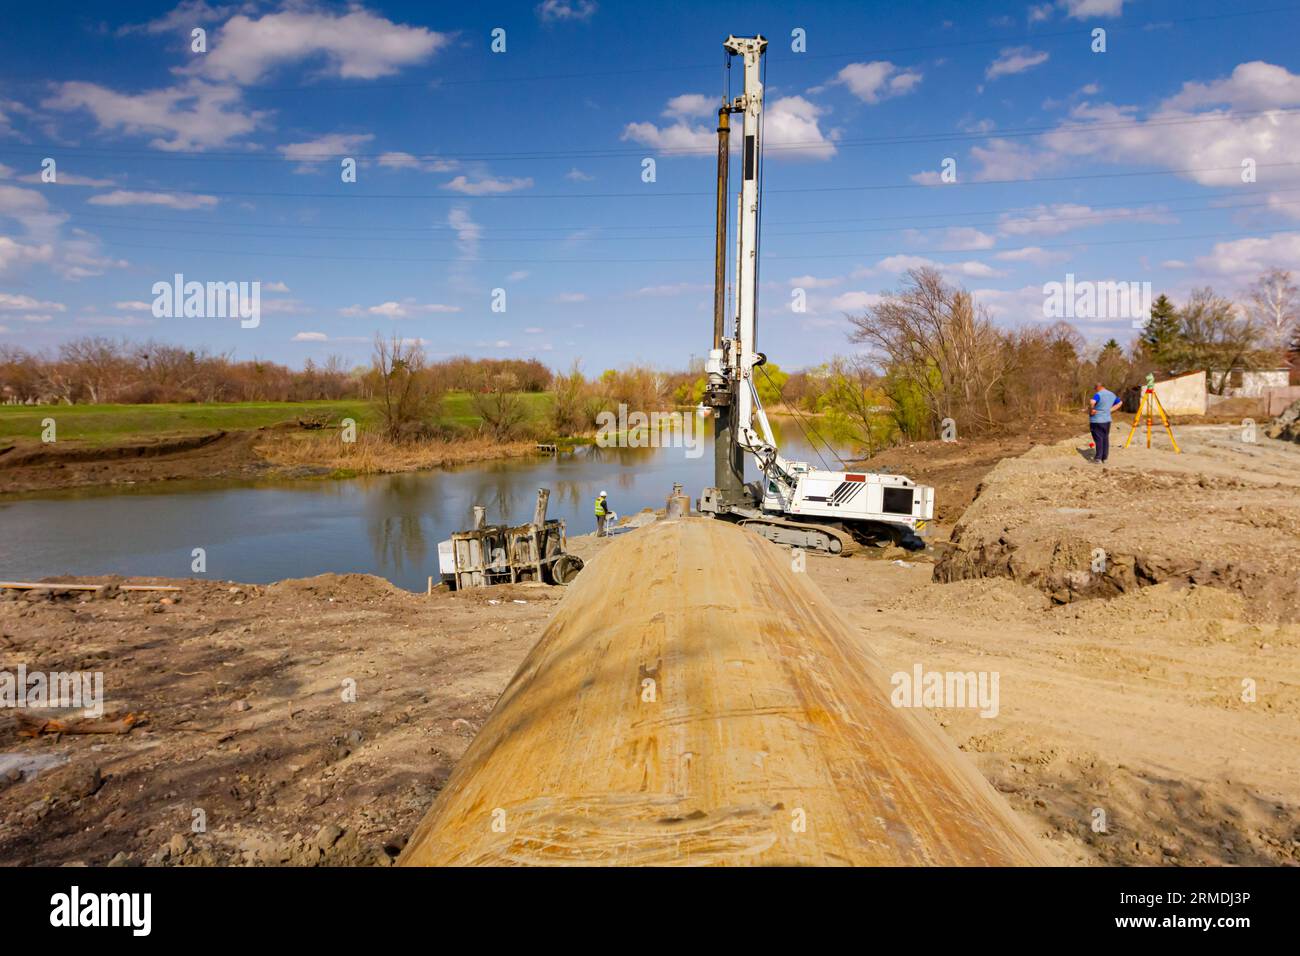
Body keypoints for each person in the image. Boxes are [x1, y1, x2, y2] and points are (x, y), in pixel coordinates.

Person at [1088, 382, 1123, 464]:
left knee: (1098, 438)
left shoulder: (1098, 394)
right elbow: (1120, 403)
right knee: (1105, 438)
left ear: (1098, 387)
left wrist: (1092, 409)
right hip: (1107, 420)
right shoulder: (1112, 394)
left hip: (1096, 420)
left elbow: (1092, 402)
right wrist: (1110, 410)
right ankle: (1105, 457)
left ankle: (1098, 458)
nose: (1095, 390)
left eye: (1095, 388)